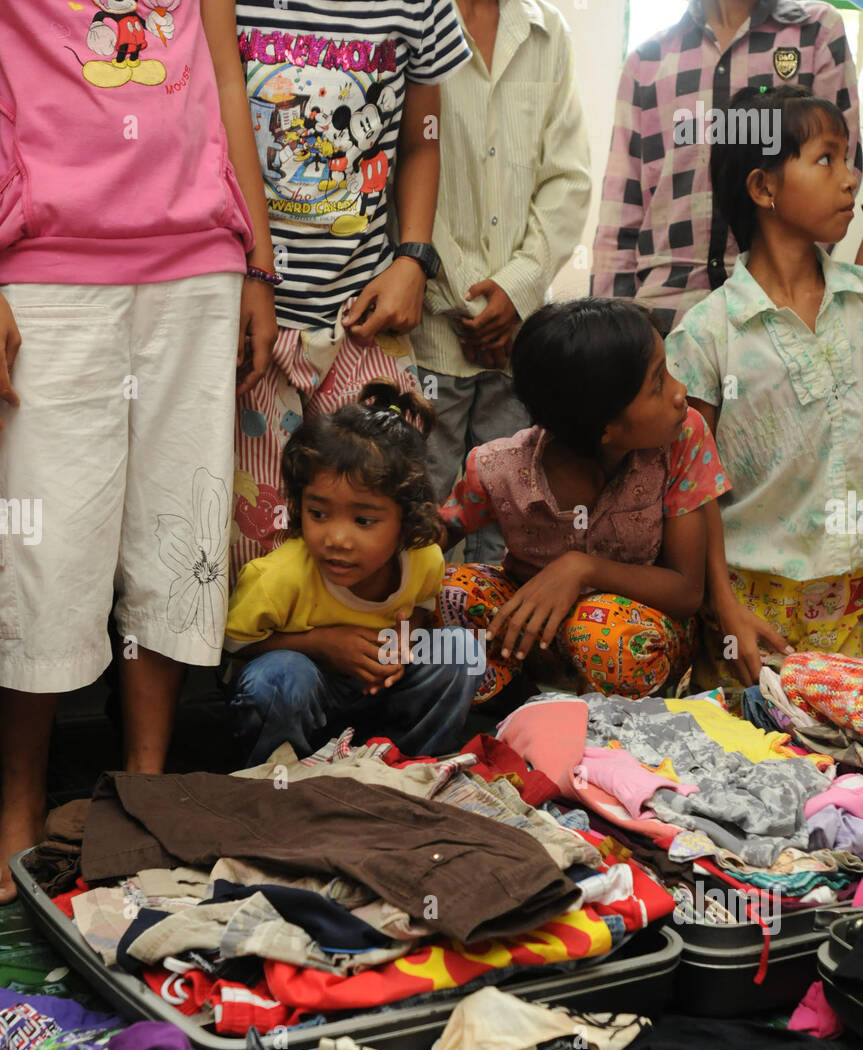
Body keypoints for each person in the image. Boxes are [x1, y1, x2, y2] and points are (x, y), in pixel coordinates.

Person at [0, 0, 277, 901]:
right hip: (49, 265)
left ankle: (146, 791)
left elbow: (228, 80)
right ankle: (19, 802)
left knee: (175, 531)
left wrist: (257, 262)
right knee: (48, 549)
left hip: (195, 265)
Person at [231, 0, 472, 582]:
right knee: (255, 539)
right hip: (251, 319)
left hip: (363, 320)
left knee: (381, 516)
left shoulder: (420, 6)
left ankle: (374, 665)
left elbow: (422, 141)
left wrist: (414, 257)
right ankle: (272, 669)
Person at [666, 84, 863, 692]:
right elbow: (689, 489)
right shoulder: (707, 332)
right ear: (763, 187)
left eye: (848, 158)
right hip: (753, 614)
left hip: (856, 604)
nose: (850, 178)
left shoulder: (858, 302)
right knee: (767, 765)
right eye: (826, 159)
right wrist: (725, 609)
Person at [437, 298, 731, 703]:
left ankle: (601, 719)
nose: (680, 392)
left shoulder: (680, 439)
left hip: (631, 630)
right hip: (536, 639)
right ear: (606, 429)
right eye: (658, 383)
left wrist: (581, 568)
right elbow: (430, 539)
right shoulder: (498, 468)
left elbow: (685, 591)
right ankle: (516, 701)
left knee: (607, 637)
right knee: (450, 591)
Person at [411, 0, 591, 564]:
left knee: (512, 520)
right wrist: (472, 295)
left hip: (517, 342)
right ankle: (420, 647)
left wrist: (516, 288)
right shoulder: (414, 17)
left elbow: (569, 178)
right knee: (424, 514)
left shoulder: (547, 31)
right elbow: (405, 164)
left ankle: (494, 649)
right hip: (433, 333)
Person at [225, 382, 484, 766]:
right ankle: (279, 781)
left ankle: (407, 768)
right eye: (318, 513)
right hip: (305, 709)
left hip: (378, 703)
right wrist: (324, 645)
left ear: (405, 519)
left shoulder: (424, 559)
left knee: (461, 650)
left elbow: (419, 611)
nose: (337, 539)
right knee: (280, 676)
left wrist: (400, 642)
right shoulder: (278, 576)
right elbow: (234, 650)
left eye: (363, 520)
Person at [592, 0, 861, 334]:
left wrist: (792, 289)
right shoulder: (646, 62)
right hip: (664, 317)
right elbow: (620, 212)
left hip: (778, 316)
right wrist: (610, 336)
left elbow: (838, 167)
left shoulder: (816, 32)